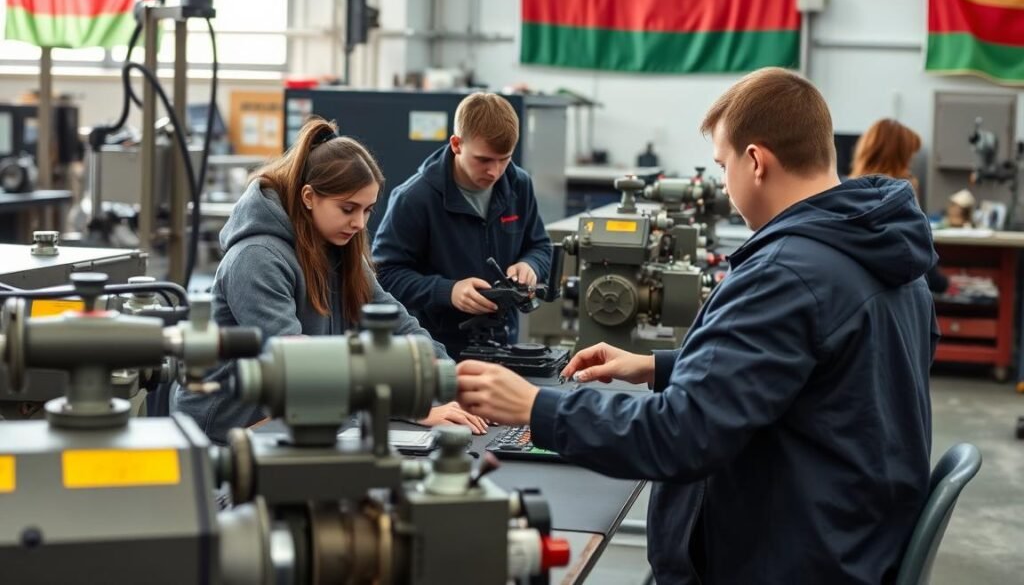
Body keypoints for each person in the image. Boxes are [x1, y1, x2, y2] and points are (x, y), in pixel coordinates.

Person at [456, 68, 937, 584]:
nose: (724, 185)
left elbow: (679, 437)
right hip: (853, 542)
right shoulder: (885, 251)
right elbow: (816, 378)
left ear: (756, 162)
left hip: (784, 560)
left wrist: (536, 406)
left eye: (723, 165)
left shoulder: (786, 273)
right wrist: (660, 366)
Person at [174, 117, 487, 443]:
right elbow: (296, 367)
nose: (359, 223)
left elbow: (398, 323)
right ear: (309, 197)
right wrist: (406, 405)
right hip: (228, 431)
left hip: (297, 415)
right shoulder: (256, 258)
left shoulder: (338, 246)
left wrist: (454, 382)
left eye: (367, 210)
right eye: (348, 209)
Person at [372, 92, 551, 358]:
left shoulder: (518, 185)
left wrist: (530, 265)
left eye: (504, 159)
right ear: (456, 144)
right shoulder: (415, 198)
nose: (495, 171)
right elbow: (384, 275)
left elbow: (540, 246)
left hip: (504, 342)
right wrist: (448, 291)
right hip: (437, 349)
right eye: (483, 160)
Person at [849, 118, 949, 293]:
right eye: (908, 160)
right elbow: (927, 269)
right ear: (898, 160)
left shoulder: (845, 194)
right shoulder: (899, 201)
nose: (910, 168)